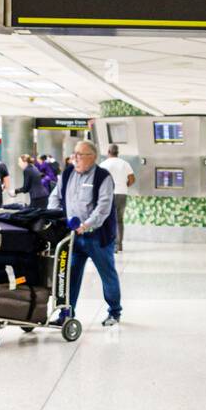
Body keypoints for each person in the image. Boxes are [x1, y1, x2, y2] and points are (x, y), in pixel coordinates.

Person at [47, 139, 121, 327]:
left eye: (80, 155)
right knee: (69, 276)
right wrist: (56, 217)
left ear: (92, 157)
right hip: (72, 237)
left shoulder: (103, 177)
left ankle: (114, 312)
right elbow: (55, 196)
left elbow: (103, 207)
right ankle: (66, 314)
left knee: (108, 275)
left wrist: (87, 225)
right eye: (75, 154)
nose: (76, 158)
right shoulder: (68, 173)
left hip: (97, 237)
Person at [99, 144, 136, 252]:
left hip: (108, 194)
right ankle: (118, 245)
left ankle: (110, 245)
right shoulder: (125, 164)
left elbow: (99, 180)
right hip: (121, 194)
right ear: (117, 152)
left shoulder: (103, 164)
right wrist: (124, 185)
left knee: (107, 219)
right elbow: (132, 179)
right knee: (119, 220)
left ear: (108, 152)